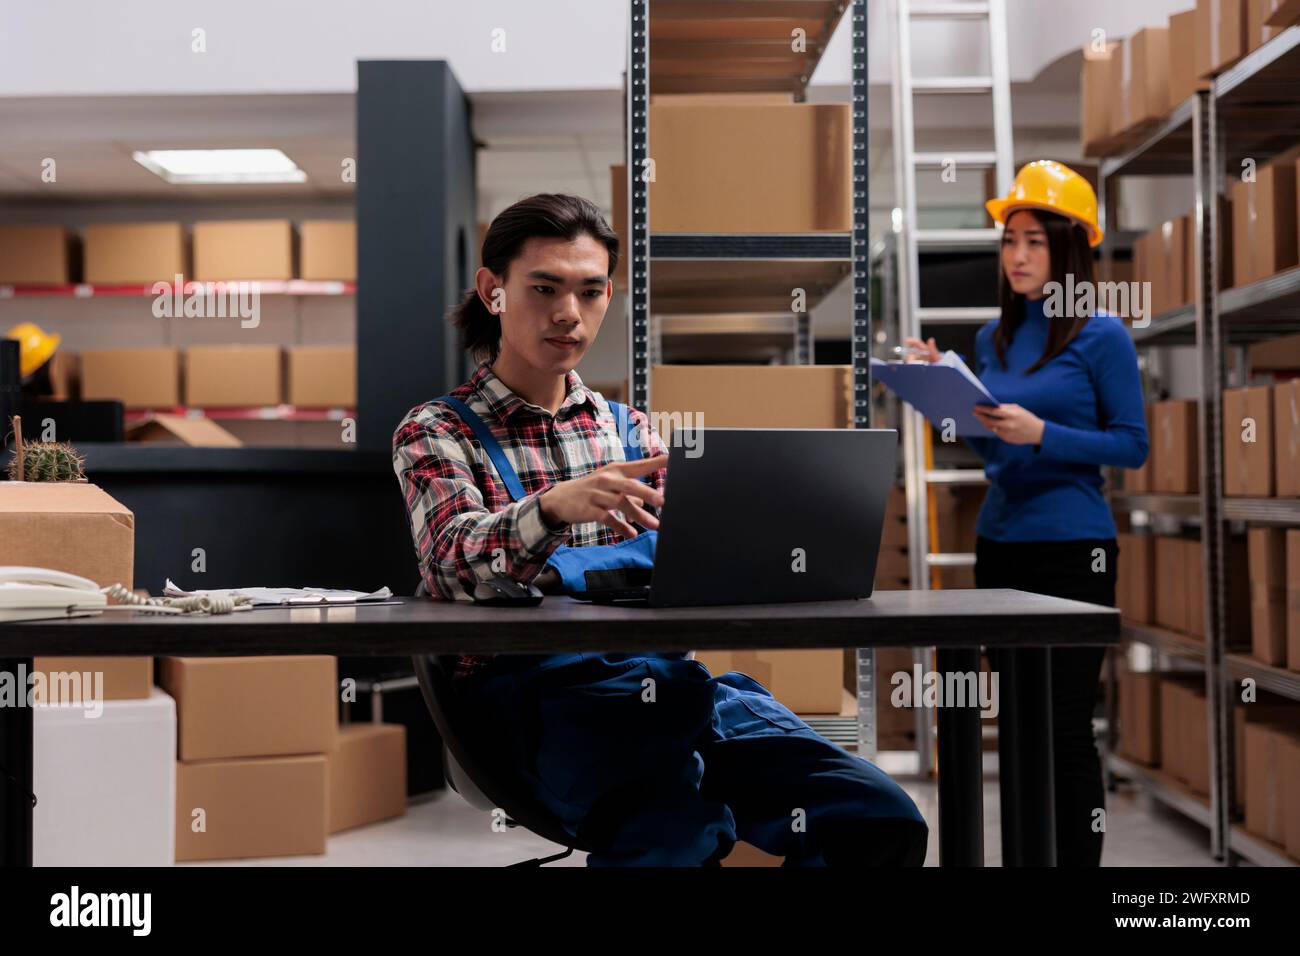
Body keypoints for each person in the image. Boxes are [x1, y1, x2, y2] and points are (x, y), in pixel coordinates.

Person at [393, 193, 927, 866]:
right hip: (546, 709)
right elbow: (450, 565)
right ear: (493, 291)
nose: (569, 313)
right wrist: (555, 508)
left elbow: (676, 566)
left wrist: (763, 551)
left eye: (590, 292)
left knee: (878, 818)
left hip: (669, 688)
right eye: (545, 288)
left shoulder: (631, 430)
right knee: (674, 838)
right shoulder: (437, 430)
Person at [905, 160, 1148, 866]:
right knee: (1014, 725)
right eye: (1010, 240)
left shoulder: (1103, 336)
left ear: (1071, 249)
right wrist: (949, 391)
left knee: (1065, 728)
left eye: (1035, 241)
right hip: (1001, 544)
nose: (1016, 255)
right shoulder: (993, 341)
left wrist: (1043, 433)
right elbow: (999, 457)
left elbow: (1131, 447)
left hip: (1074, 549)